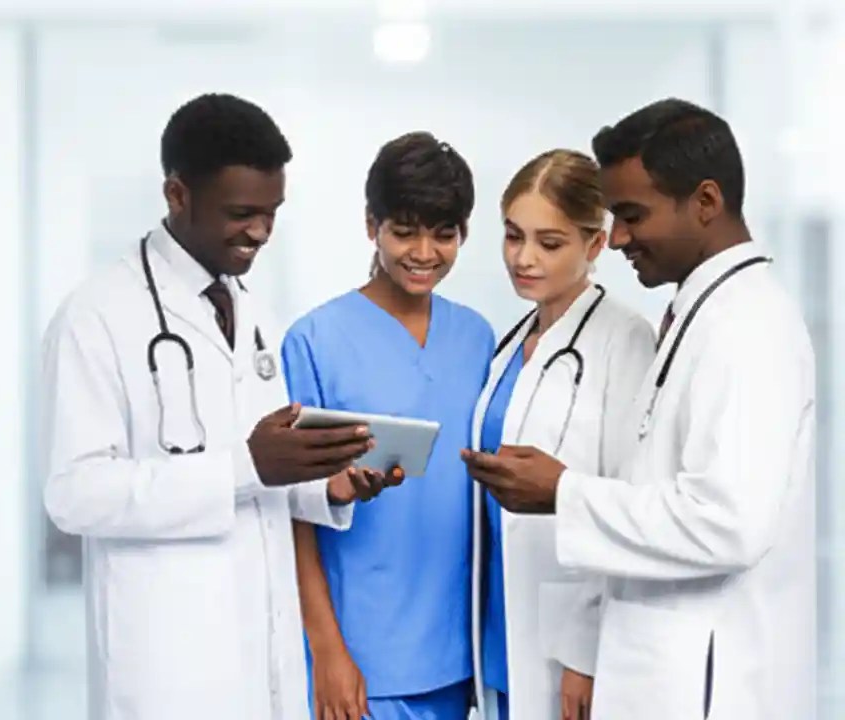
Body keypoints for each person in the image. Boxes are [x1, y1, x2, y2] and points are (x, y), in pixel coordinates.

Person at [41, 93, 403, 720]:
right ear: (177, 195)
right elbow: (75, 493)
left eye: (272, 212)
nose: (260, 231)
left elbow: (263, 476)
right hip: (168, 663)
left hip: (264, 652)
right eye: (241, 213)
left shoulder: (250, 310)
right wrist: (245, 465)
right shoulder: (96, 314)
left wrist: (329, 486)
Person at [462, 98, 816, 720]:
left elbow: (729, 522)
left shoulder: (749, 327)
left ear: (705, 203)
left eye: (631, 216)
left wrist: (564, 494)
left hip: (708, 680)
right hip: (655, 664)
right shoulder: (699, 315)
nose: (619, 237)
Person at [281, 132, 493, 720]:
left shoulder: (478, 338)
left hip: (459, 653)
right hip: (363, 655)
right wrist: (327, 651)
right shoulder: (316, 340)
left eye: (444, 234)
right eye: (404, 230)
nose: (424, 252)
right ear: (371, 224)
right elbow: (292, 512)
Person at [468, 149, 656, 720]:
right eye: (512, 236)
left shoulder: (624, 340)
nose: (523, 259)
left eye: (549, 243)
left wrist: (585, 655)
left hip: (566, 636)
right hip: (501, 618)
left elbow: (625, 502)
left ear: (595, 245)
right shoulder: (513, 343)